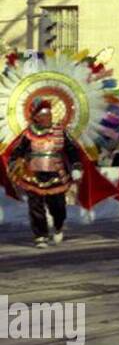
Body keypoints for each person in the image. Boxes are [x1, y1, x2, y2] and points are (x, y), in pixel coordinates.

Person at [5, 99, 84, 247]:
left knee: (58, 206)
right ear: (36, 117)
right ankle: (40, 236)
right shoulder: (28, 134)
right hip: (33, 175)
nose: (49, 117)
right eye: (44, 115)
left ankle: (58, 225)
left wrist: (76, 167)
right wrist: (14, 164)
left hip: (56, 175)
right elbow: (17, 152)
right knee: (35, 206)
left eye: (49, 114)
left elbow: (72, 150)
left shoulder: (60, 131)